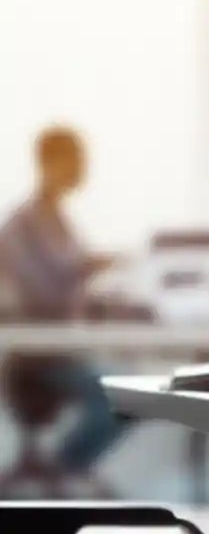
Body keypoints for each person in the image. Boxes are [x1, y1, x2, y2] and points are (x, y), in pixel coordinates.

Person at [0, 126, 130, 475]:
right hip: (38, 359)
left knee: (132, 390)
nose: (81, 171)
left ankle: (61, 469)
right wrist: (85, 268)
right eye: (74, 161)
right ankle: (63, 469)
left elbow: (71, 285)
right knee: (124, 396)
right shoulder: (19, 226)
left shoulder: (60, 220)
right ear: (48, 163)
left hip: (67, 350)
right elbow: (37, 292)